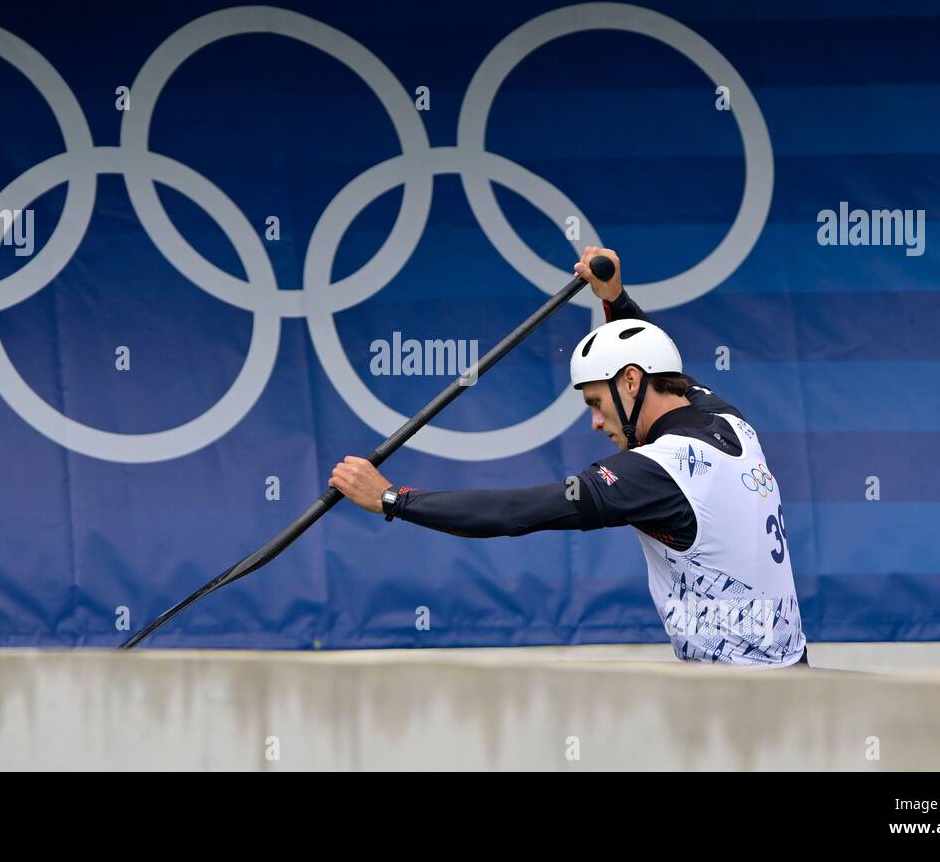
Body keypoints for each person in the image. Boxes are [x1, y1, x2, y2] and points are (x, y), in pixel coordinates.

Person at [330, 247, 808, 667]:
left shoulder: (656, 472)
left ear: (630, 383)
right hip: (789, 675)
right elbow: (662, 366)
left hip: (744, 708)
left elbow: (515, 513)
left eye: (595, 403)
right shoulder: (728, 421)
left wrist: (392, 498)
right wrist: (614, 299)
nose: (596, 424)